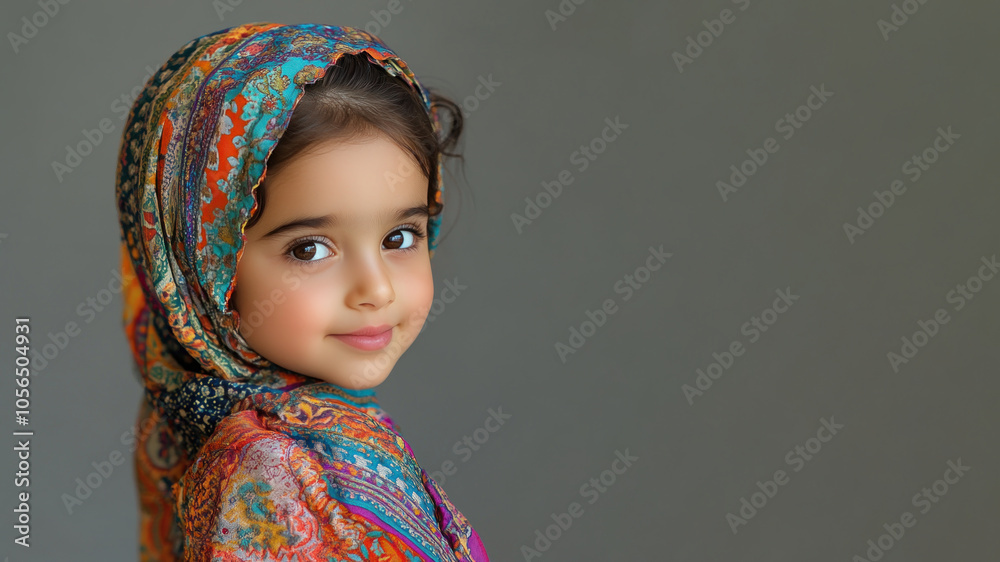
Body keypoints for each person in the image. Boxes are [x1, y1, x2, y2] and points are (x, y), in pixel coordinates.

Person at [114, 22, 489, 561]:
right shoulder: (272, 472)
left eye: (399, 237)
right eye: (310, 249)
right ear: (201, 267)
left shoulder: (322, 431)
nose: (375, 288)